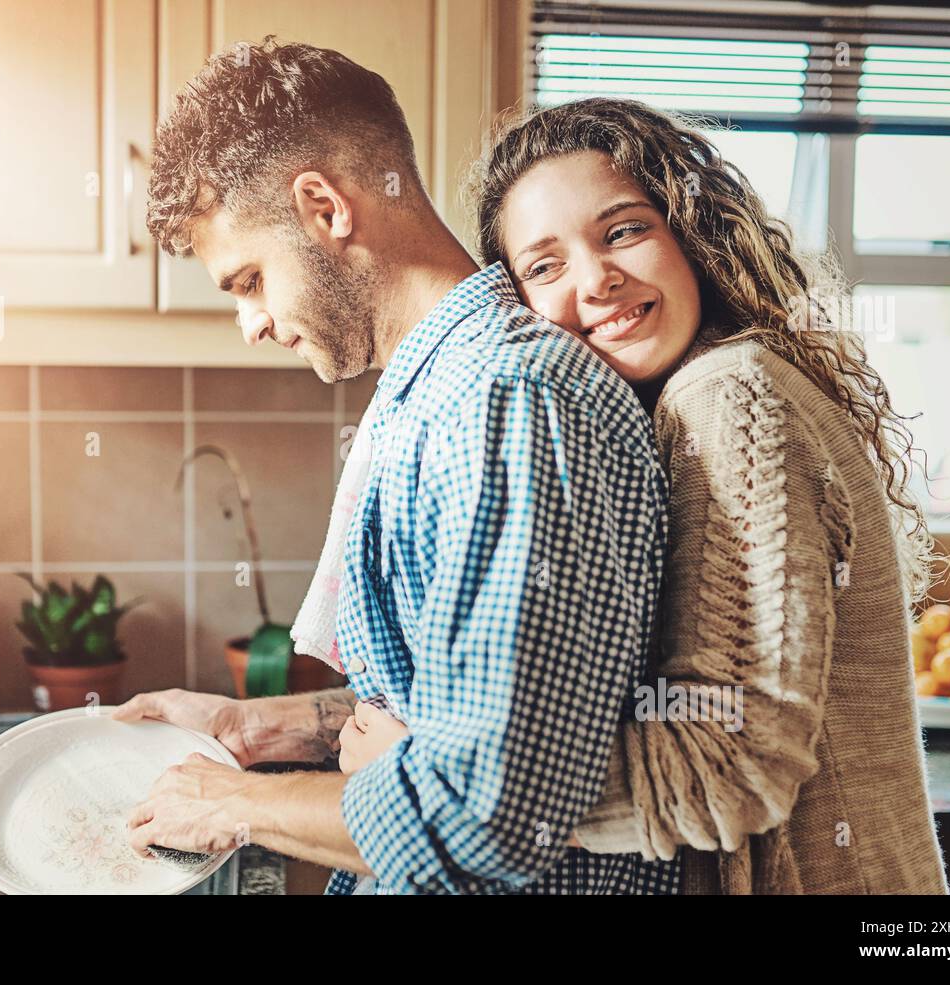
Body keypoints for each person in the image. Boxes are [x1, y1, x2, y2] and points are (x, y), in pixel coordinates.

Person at [339, 97, 950, 894]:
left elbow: (730, 763)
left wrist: (433, 779)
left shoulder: (729, 396)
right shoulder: (690, 398)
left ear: (690, 235)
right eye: (544, 265)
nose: (597, 280)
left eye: (623, 230)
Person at [115, 38, 682, 894]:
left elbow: (486, 815)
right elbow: (448, 705)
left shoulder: (509, 406)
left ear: (323, 207)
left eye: (249, 280)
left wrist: (234, 803)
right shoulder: (436, 398)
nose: (253, 322)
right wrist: (253, 728)